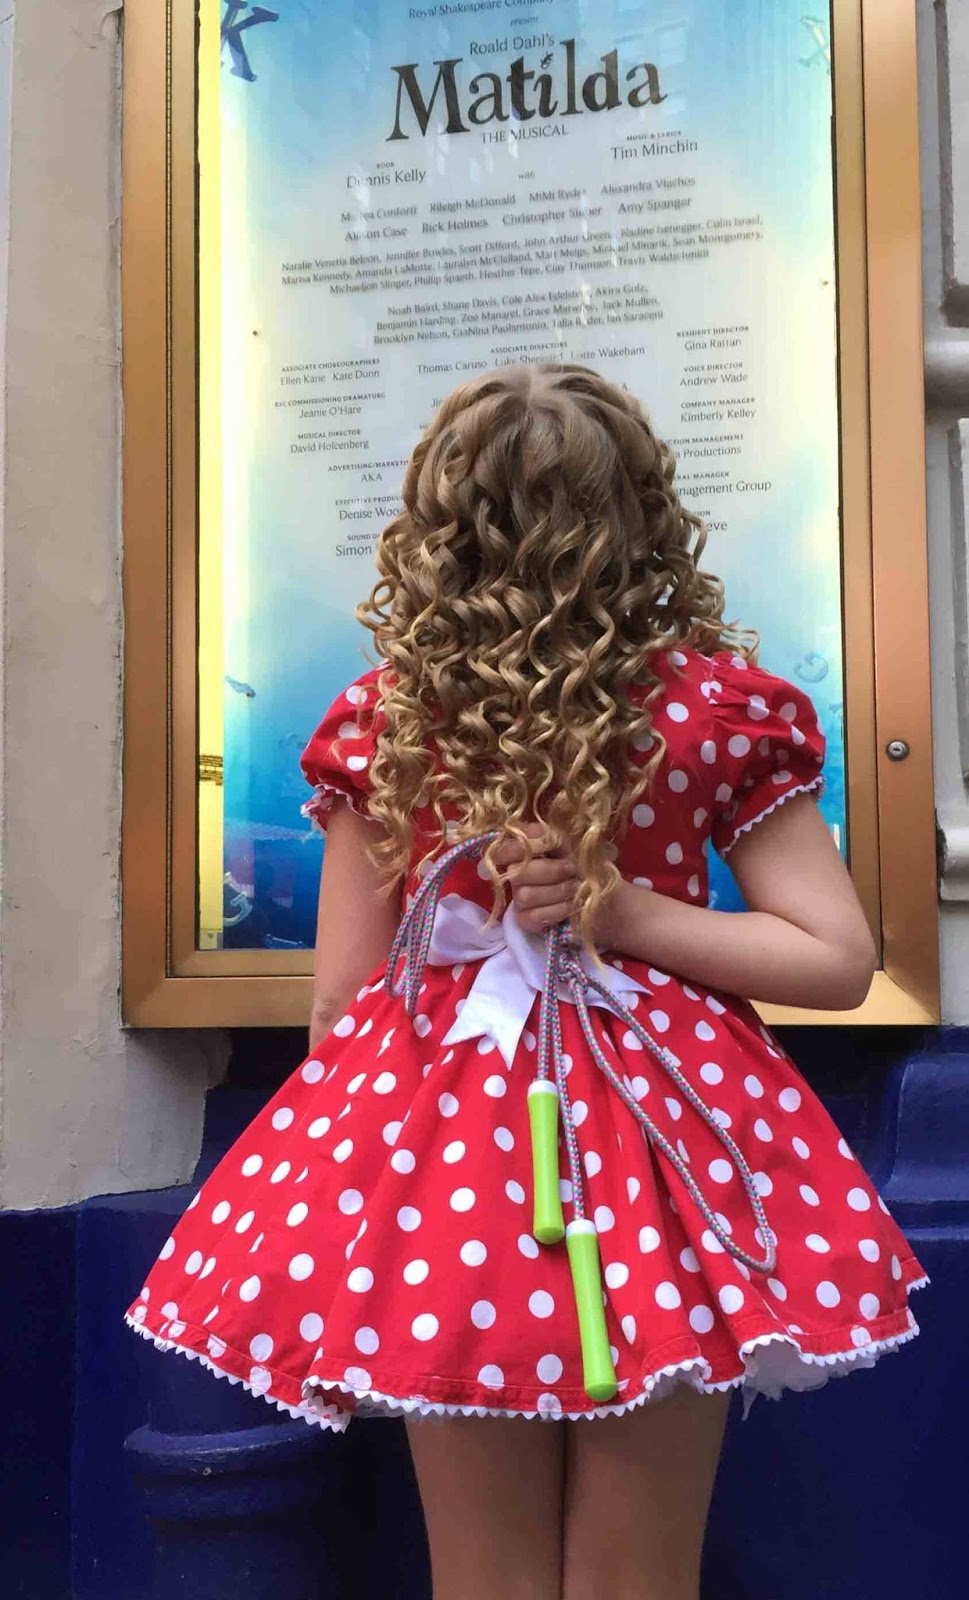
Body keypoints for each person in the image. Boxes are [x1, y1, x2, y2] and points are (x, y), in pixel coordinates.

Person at [126, 364, 927, 1600]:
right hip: (674, 1158)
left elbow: (344, 999)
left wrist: (582, 917)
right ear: (643, 518)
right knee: (639, 1572)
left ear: (440, 528)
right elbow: (836, 958)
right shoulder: (712, 710)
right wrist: (637, 914)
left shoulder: (390, 719)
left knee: (483, 1570)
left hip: (448, 1153)